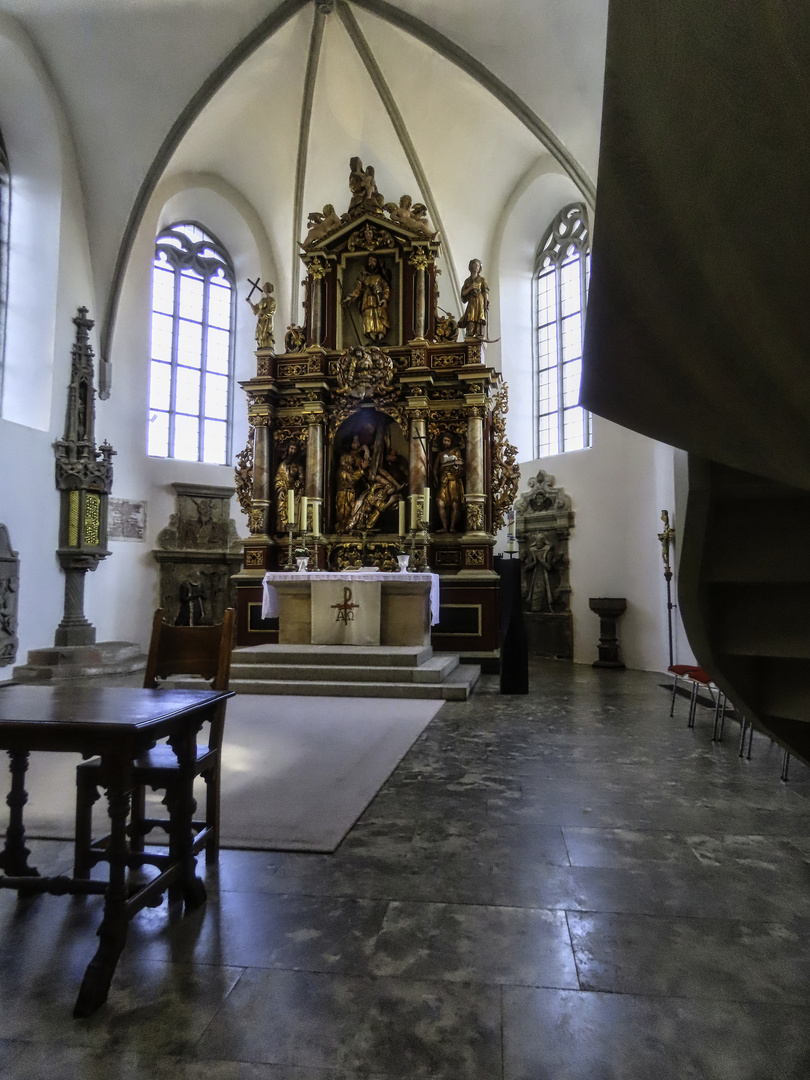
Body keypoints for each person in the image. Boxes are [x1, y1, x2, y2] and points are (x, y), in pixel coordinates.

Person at [341, 255, 391, 342]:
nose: (372, 263)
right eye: (370, 261)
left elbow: (386, 288)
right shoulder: (363, 277)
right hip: (367, 302)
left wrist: (384, 299)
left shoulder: (380, 277)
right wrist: (350, 298)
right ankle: (372, 338)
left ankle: (380, 337)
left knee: (379, 319)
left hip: (378, 301)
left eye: (374, 261)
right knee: (369, 319)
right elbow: (358, 290)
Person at [335, 435, 370, 533]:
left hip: (351, 493)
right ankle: (342, 529)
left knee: (351, 512)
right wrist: (362, 469)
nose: (352, 460)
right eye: (350, 458)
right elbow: (352, 479)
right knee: (343, 513)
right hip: (344, 494)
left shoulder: (349, 469)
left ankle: (348, 527)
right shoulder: (343, 471)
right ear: (345, 459)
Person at [433, 434, 465, 532]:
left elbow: (461, 464)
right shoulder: (440, 454)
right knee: (440, 503)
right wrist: (435, 478)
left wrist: (451, 464)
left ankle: (452, 527)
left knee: (455, 504)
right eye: (444, 440)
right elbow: (435, 468)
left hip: (453, 481)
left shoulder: (456, 452)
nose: (446, 443)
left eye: (448, 440)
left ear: (451, 442)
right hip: (443, 481)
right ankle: (444, 527)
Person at [274, 440, 304, 532]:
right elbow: (278, 478)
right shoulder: (282, 465)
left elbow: (302, 478)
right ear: (288, 449)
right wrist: (281, 489)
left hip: (293, 492)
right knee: (282, 509)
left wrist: (299, 482)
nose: (293, 451)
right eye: (291, 449)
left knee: (293, 512)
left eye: (295, 449)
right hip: (283, 491)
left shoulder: (298, 466)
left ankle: (292, 531)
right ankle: (282, 530)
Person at [458, 259, 489, 339]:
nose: (476, 267)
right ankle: (470, 334)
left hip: (480, 301)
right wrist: (470, 288)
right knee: (470, 318)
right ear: (471, 267)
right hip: (471, 303)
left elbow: (485, 291)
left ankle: (479, 334)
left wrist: (486, 301)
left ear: (480, 268)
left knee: (479, 318)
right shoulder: (467, 281)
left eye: (478, 266)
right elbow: (463, 293)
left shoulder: (482, 280)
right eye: (474, 265)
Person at [245, 281, 276, 350]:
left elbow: (272, 311)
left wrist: (263, 312)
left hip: (267, 321)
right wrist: (249, 302)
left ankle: (267, 345)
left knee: (267, 335)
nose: (263, 288)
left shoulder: (272, 300)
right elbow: (256, 310)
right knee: (260, 335)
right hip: (261, 322)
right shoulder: (263, 300)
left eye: (264, 287)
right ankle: (261, 345)